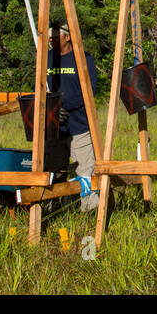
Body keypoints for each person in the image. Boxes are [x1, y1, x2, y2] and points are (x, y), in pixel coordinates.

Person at [47, 22, 100, 212]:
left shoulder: (83, 59)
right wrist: (51, 110)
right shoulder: (47, 59)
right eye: (50, 36)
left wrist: (63, 106)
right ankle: (52, 209)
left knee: (85, 172)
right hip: (54, 128)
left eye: (55, 36)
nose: (51, 40)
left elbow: (89, 92)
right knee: (53, 171)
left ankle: (89, 211)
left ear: (67, 37)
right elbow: (41, 89)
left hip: (80, 126)